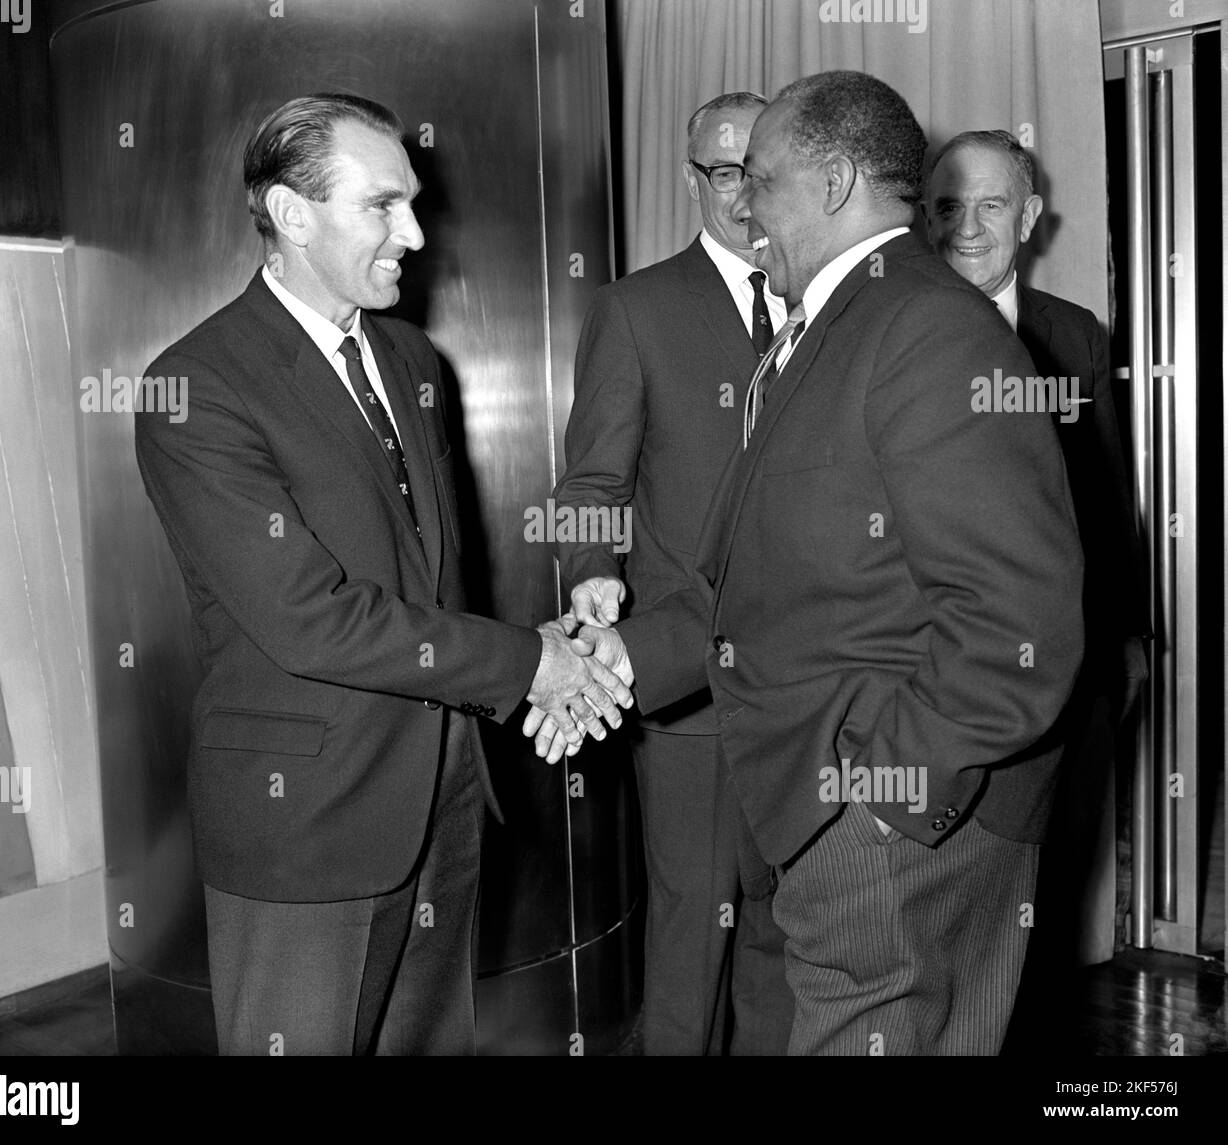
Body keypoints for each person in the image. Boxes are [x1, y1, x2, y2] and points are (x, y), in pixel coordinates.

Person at [532, 70, 1085, 1055]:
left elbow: (1020, 625)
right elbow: (757, 577)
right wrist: (625, 654)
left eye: (764, 179)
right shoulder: (833, 326)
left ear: (831, 184)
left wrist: (880, 810)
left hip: (896, 835)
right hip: (835, 809)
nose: (745, 206)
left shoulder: (925, 328)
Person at [134, 92, 632, 1057]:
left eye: (412, 202)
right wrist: (529, 667)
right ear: (290, 214)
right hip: (307, 823)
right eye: (382, 205)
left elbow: (435, 582)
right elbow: (309, 617)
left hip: (445, 803)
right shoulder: (192, 388)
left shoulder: (411, 358)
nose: (413, 230)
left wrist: (542, 671)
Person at [552, 92, 794, 1056]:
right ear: (694, 179)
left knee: (786, 928)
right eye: (724, 172)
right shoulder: (635, 308)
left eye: (761, 170)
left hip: (810, 685)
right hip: (688, 684)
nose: (744, 194)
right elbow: (592, 479)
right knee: (695, 927)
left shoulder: (839, 302)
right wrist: (590, 571)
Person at [924, 129, 1150, 1041]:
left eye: (989, 205)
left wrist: (1130, 635)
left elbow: (1106, 496)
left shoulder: (1073, 337)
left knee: (1047, 900)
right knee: (944, 910)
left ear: (1029, 216)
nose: (967, 227)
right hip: (939, 677)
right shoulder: (892, 326)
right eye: (947, 206)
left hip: (1066, 670)